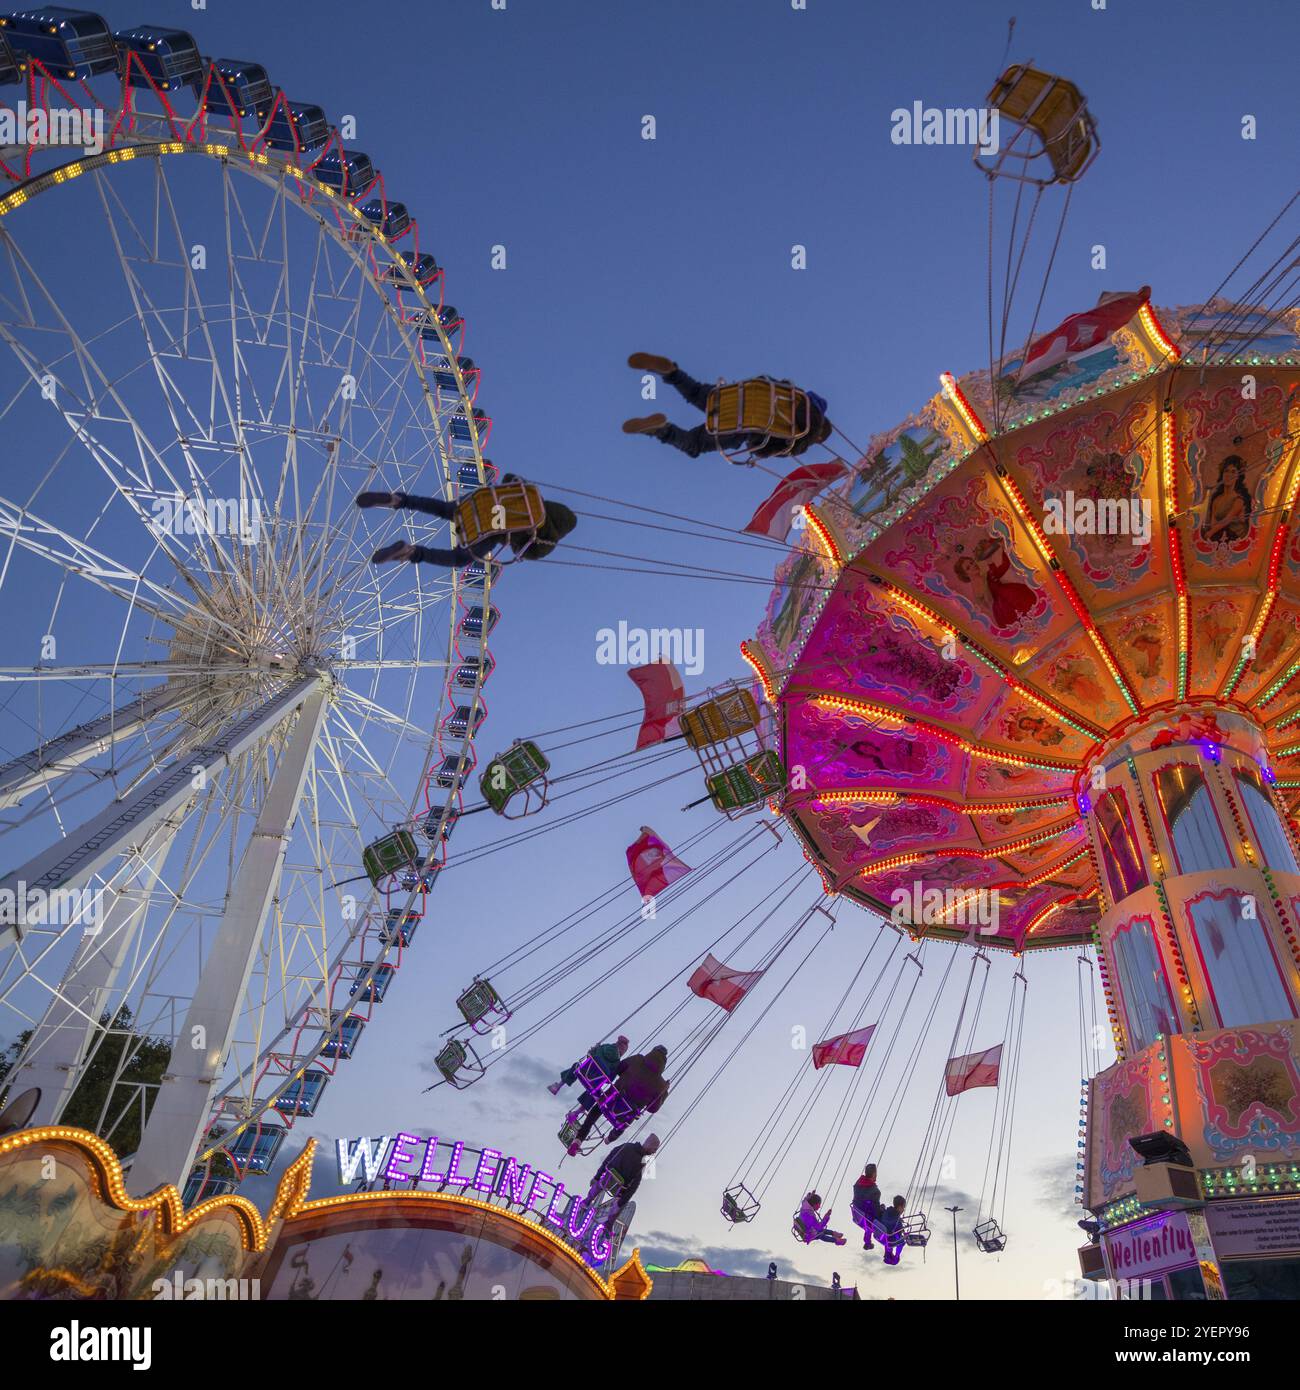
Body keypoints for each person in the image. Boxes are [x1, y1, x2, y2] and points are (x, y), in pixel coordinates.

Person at [621, 353, 831, 461]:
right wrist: (756, 451)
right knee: (695, 445)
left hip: (741, 396)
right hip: (743, 426)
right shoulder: (806, 436)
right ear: (819, 435)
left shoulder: (799, 395)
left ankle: (670, 372)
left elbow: (770, 381)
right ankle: (661, 430)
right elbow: (777, 449)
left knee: (695, 391)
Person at [356, 475, 577, 568]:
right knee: (460, 559)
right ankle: (411, 552)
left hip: (478, 504)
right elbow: (528, 553)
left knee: (443, 508)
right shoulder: (547, 538)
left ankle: (398, 500)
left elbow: (509, 477)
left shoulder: (532, 496)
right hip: (491, 530)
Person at [568, 1043, 670, 1154]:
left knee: (596, 1111)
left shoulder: (638, 1059)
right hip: (624, 1114)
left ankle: (578, 1140)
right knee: (624, 1123)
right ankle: (609, 1139)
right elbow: (652, 1109)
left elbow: (620, 1068)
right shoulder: (661, 1085)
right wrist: (664, 1092)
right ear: (664, 1063)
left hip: (612, 1098)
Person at [589, 1133, 659, 1229]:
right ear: (649, 1145)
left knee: (602, 1181)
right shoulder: (641, 1162)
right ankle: (609, 1224)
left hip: (607, 1179)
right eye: (654, 1149)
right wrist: (621, 1203)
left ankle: (588, 1200)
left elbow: (608, 1159)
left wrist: (597, 1177)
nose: (654, 1152)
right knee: (622, 1201)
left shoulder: (626, 1146)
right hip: (619, 1189)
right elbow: (634, 1186)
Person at [549, 1036, 629, 1097]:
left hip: (585, 1071)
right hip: (595, 1082)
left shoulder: (604, 1047)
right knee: (597, 1092)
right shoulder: (618, 1063)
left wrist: (594, 1049)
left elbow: (590, 1056)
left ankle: (558, 1086)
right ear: (623, 1050)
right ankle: (576, 1113)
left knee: (576, 1066)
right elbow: (609, 1080)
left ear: (616, 1043)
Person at [851, 1163, 882, 1249]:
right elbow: (876, 1212)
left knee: (869, 1219)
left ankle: (867, 1241)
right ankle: (888, 1252)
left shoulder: (858, 1184)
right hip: (866, 1216)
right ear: (874, 1174)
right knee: (876, 1218)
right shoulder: (875, 1191)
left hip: (857, 1212)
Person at [876, 1194, 907, 1265]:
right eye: (903, 1207)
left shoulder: (888, 1211)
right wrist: (905, 1235)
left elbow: (891, 1220)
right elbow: (900, 1229)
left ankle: (888, 1254)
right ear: (899, 1207)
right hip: (889, 1238)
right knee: (902, 1241)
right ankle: (897, 1256)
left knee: (890, 1234)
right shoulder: (897, 1220)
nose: (903, 1209)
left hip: (881, 1234)